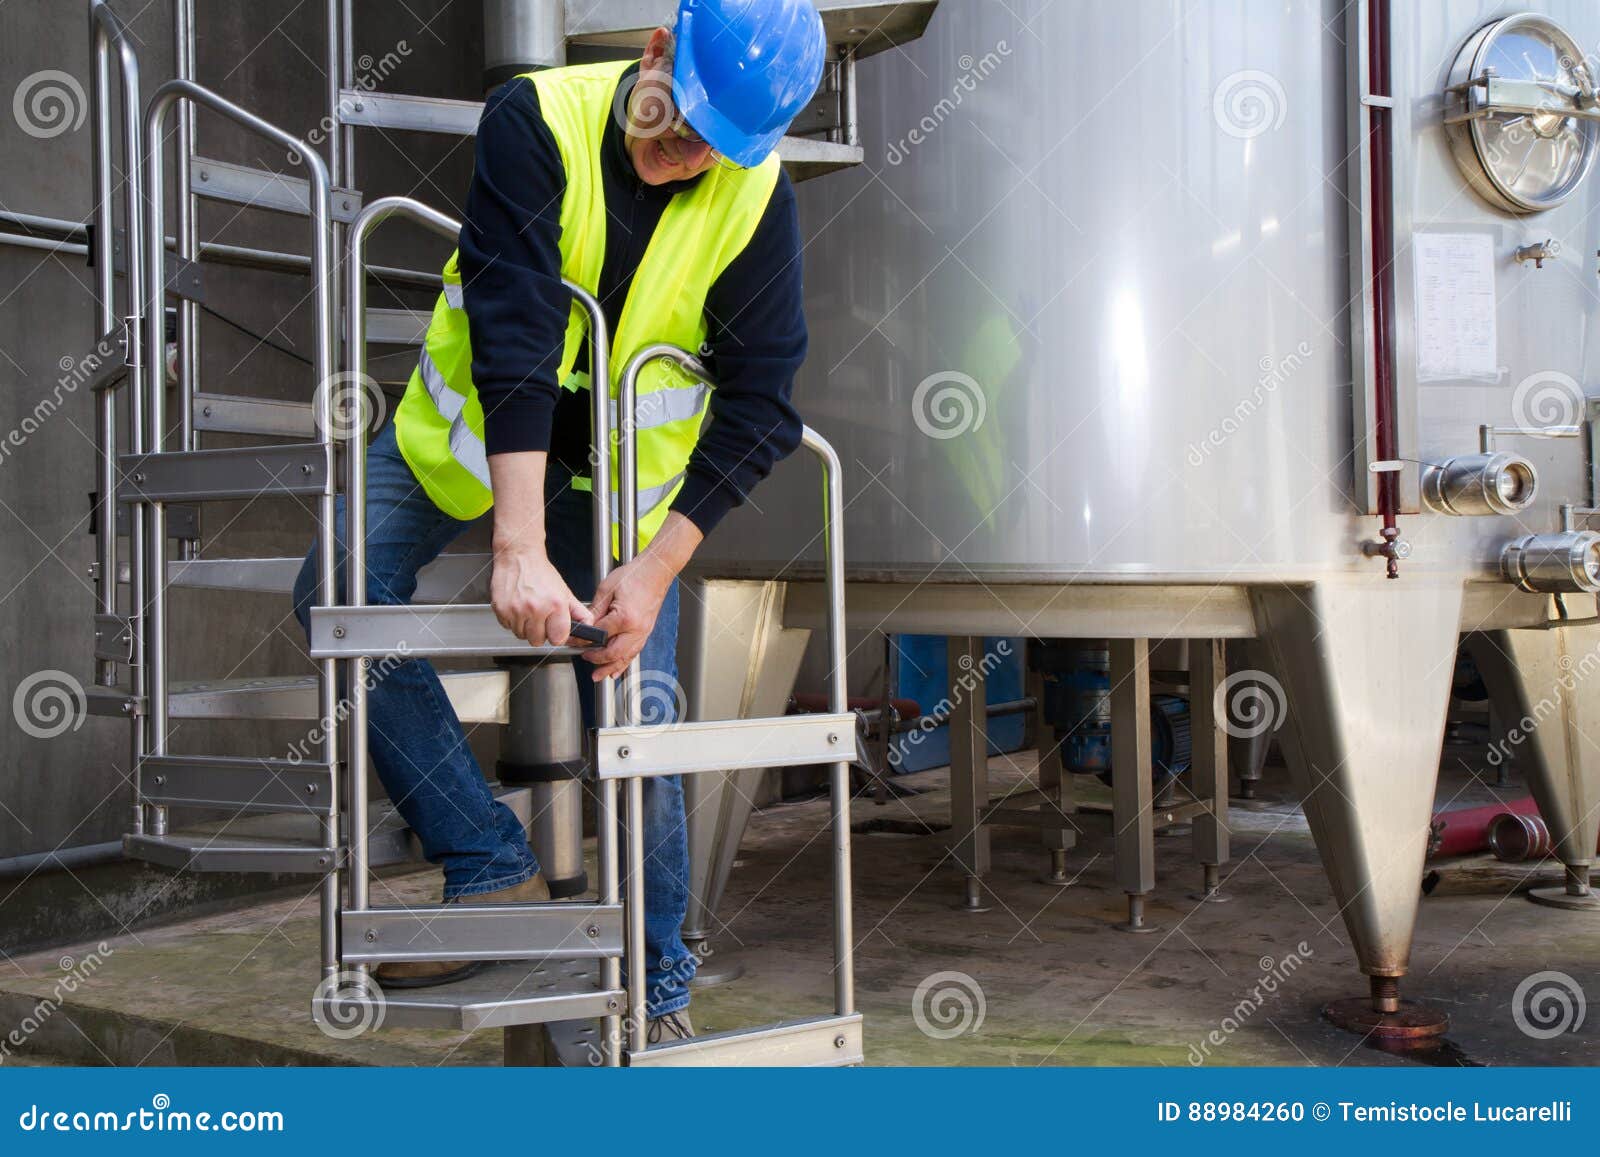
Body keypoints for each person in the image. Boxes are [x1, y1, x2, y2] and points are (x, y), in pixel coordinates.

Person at [292, 0, 825, 1043]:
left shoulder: (757, 195)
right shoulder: (533, 118)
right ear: (653, 49)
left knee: (641, 719)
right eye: (678, 128)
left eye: (712, 152)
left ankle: (658, 985)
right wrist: (518, 545)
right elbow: (516, 331)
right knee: (336, 593)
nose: (682, 161)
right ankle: (488, 863)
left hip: (624, 492)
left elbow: (762, 401)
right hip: (464, 438)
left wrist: (659, 566)